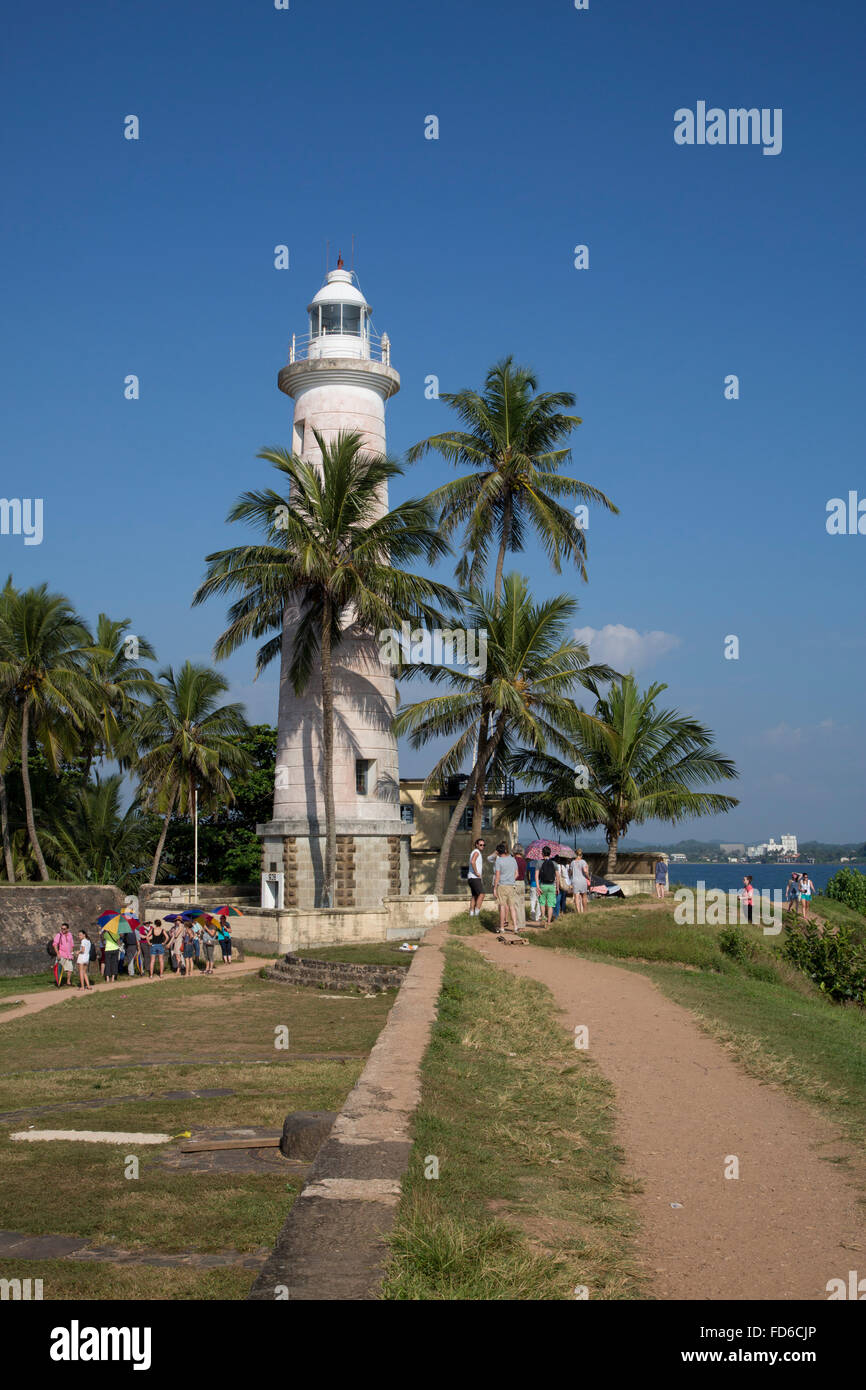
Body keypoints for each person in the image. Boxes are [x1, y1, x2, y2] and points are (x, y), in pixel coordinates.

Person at [492, 842, 520, 935]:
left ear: (498, 852)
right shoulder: (513, 859)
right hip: (511, 886)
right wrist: (511, 879)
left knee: (502, 906)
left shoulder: (498, 861)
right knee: (512, 907)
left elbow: (497, 876)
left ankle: (502, 928)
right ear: (505, 850)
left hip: (502, 886)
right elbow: (517, 874)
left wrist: (495, 888)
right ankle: (516, 927)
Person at [537, 846, 559, 926]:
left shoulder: (539, 863)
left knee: (542, 903)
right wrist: (557, 887)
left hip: (542, 885)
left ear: (542, 853)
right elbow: (557, 876)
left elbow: (536, 876)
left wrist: (538, 886)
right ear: (550, 854)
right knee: (550, 905)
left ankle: (543, 918)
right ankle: (549, 922)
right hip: (552, 886)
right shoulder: (554, 863)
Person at [467, 838, 486, 916]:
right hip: (474, 878)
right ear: (476, 845)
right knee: (482, 894)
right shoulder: (477, 852)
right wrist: (476, 873)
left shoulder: (474, 852)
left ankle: (471, 914)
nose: (482, 846)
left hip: (471, 878)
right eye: (480, 845)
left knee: (474, 896)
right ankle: (477, 913)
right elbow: (473, 861)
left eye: (484, 845)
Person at [512, 844, 528, 929]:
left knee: (516, 905)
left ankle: (519, 924)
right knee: (522, 904)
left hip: (515, 882)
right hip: (522, 882)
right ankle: (523, 923)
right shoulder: (524, 861)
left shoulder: (513, 860)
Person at [526, 856, 540, 922]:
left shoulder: (530, 863)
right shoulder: (540, 863)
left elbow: (527, 873)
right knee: (539, 901)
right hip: (539, 884)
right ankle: (537, 917)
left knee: (532, 899)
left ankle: (532, 910)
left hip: (532, 884)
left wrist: (529, 880)